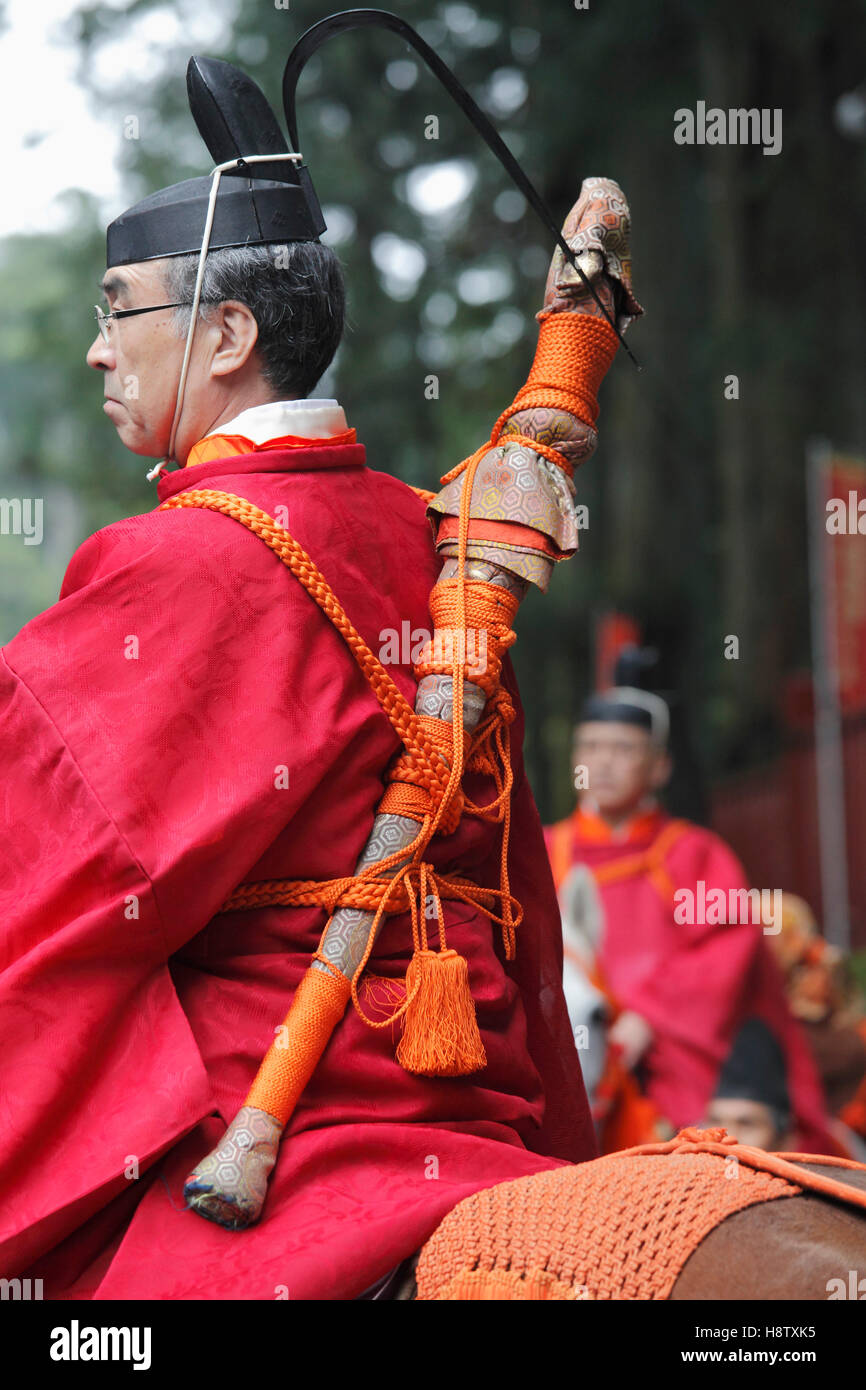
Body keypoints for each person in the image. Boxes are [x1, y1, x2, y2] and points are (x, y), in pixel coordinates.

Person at [0, 28, 641, 1297]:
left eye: (115, 313)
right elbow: (514, 910)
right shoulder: (442, 545)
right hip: (482, 1126)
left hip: (273, 1152)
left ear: (227, 330)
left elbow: (40, 893)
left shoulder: (169, 566)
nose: (97, 352)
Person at [545, 684, 839, 1153]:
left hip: (665, 1045)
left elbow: (724, 952)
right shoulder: (542, 852)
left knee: (700, 1140)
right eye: (591, 746)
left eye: (622, 749)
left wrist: (646, 1015)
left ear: (659, 766)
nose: (601, 762)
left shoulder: (693, 854)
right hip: (570, 1042)